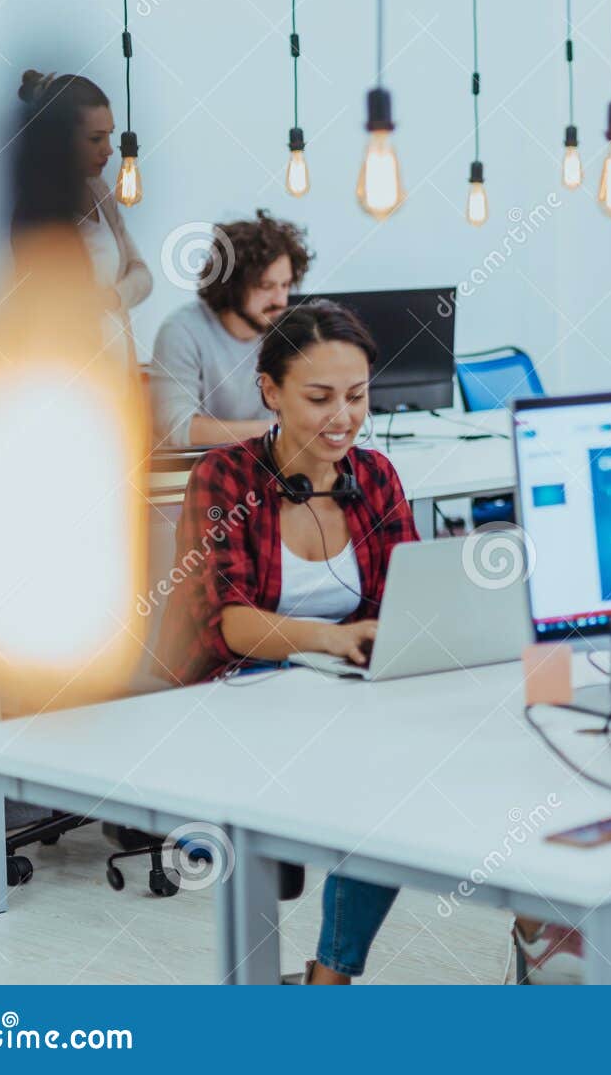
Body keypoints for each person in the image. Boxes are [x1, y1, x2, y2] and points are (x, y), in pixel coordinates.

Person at [157, 300, 417, 983]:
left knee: (411, 769)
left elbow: (411, 604)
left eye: (357, 397)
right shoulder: (226, 478)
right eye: (320, 397)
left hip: (342, 691)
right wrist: (336, 640)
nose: (343, 418)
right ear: (270, 390)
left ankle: (330, 977)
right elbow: (232, 626)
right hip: (235, 688)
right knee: (377, 778)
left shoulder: (377, 477)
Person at [17, 71, 152, 361]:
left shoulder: (101, 192)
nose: (108, 150)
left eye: (109, 135)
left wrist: (111, 298)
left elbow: (142, 275)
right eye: (95, 139)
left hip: (119, 371)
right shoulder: (38, 215)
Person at [149, 211, 310, 447]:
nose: (281, 300)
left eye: (285, 285)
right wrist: (279, 431)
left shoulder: (283, 331)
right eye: (266, 286)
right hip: (193, 473)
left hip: (263, 465)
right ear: (232, 285)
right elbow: (180, 431)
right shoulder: (181, 330)